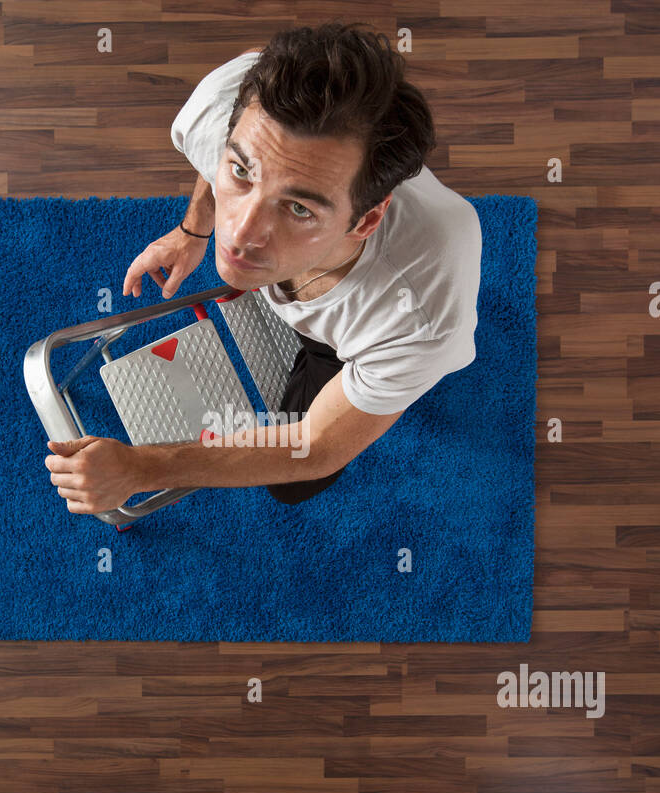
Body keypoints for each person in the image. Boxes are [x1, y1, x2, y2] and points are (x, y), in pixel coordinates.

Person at [45, 20, 482, 513]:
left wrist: (143, 468)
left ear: (367, 220)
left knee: (291, 483)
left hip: (356, 330)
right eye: (242, 173)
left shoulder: (416, 318)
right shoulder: (222, 104)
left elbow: (316, 446)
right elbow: (222, 154)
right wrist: (193, 230)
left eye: (299, 208)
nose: (239, 236)